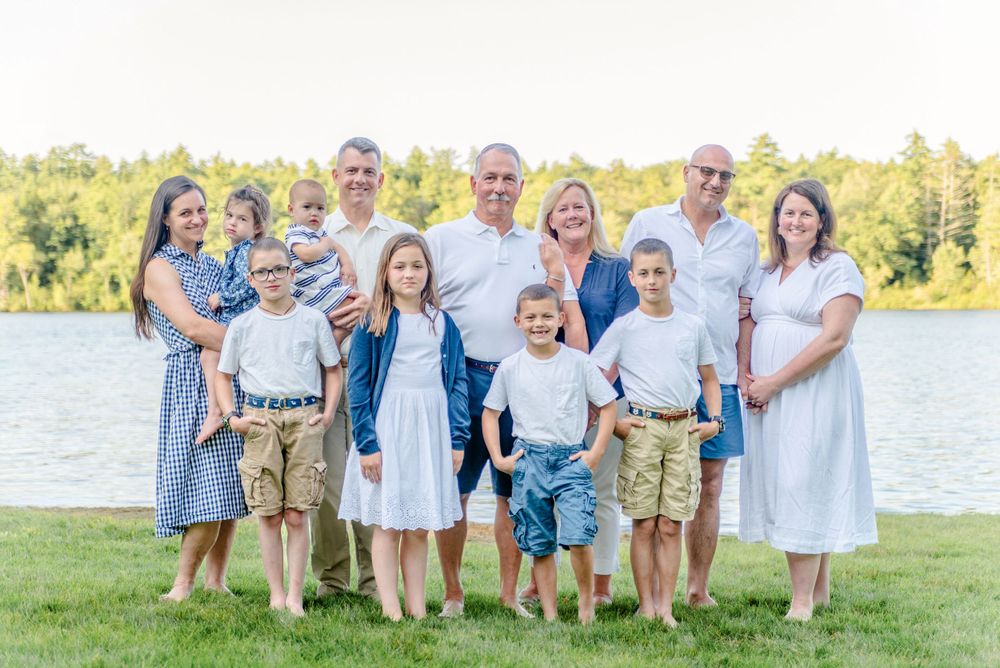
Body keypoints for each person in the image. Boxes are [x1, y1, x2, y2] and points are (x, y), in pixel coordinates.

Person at [424, 143, 587, 618]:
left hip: (523, 385)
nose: (499, 187)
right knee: (454, 490)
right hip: (458, 381)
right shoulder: (441, 239)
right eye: (490, 177)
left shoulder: (541, 247)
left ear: (521, 186)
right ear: (473, 183)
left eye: (509, 179)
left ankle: (508, 593)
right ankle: (453, 594)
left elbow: (563, 314)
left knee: (517, 492)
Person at [619, 144, 759, 607]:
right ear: (686, 172)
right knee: (653, 490)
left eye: (725, 175)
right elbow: (629, 293)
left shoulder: (743, 236)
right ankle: (651, 595)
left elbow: (745, 310)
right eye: (706, 171)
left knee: (711, 483)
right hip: (655, 383)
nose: (715, 182)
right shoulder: (648, 222)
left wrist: (742, 369)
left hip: (718, 377)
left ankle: (697, 587)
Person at [739, 179, 877, 621]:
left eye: (805, 214)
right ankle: (817, 593)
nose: (795, 221)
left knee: (806, 478)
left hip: (815, 388)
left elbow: (836, 337)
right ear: (776, 219)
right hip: (768, 393)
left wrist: (774, 381)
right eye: (788, 212)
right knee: (786, 479)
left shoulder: (837, 267)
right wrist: (748, 378)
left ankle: (801, 603)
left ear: (821, 222)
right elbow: (746, 320)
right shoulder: (764, 271)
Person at [590, 238, 723, 627]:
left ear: (673, 275)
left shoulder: (692, 326)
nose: (652, 281)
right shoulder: (624, 328)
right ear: (632, 278)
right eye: (644, 273)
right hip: (642, 429)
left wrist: (715, 419)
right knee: (644, 522)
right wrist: (613, 422)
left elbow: (710, 379)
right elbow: (594, 377)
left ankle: (666, 606)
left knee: (671, 522)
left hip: (683, 430)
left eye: (660, 272)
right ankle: (644, 604)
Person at [129, 175, 248, 601]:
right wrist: (255, 342)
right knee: (206, 483)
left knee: (231, 485)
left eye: (201, 210)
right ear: (165, 218)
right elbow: (194, 326)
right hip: (190, 381)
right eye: (186, 213)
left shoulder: (215, 265)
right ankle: (183, 583)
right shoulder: (159, 267)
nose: (197, 219)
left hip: (230, 377)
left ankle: (216, 582)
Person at [340, 233, 469, 620]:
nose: (409, 274)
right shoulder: (372, 322)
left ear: (429, 271)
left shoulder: (443, 323)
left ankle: (417, 607)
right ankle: (391, 608)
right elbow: (358, 387)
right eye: (400, 266)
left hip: (430, 430)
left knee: (418, 526)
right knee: (389, 523)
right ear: (385, 273)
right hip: (388, 429)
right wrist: (367, 444)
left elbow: (457, 382)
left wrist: (457, 438)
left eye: (417, 266)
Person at [522, 177, 638, 606]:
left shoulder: (617, 268)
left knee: (601, 492)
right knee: (543, 490)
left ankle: (603, 585)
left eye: (581, 207)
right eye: (564, 208)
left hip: (609, 397)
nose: (573, 214)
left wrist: (594, 396)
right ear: (549, 218)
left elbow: (627, 335)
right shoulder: (536, 266)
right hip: (545, 401)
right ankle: (539, 582)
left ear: (592, 215)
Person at [214, 237, 342, 616]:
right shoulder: (242, 326)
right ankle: (275, 594)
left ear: (292, 272)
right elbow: (224, 377)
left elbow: (332, 371)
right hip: (259, 419)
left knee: (297, 513)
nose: (272, 277)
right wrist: (231, 416)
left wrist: (329, 412)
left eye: (279, 269)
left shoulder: (313, 321)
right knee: (268, 514)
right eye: (262, 272)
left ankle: (295, 596)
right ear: (251, 279)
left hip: (305, 418)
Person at [313, 137, 417, 600]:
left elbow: (418, 297)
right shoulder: (309, 236)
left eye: (368, 171)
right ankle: (330, 581)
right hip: (326, 372)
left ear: (380, 178)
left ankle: (375, 581)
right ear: (335, 176)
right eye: (350, 170)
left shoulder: (401, 234)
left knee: (377, 477)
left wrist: (376, 307)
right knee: (329, 480)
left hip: (384, 378)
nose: (359, 179)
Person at [483, 284, 618, 624]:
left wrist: (596, 452)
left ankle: (586, 607)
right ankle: (550, 613)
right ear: (518, 321)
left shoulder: (578, 363)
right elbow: (491, 413)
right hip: (529, 459)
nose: (538, 324)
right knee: (540, 542)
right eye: (530, 317)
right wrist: (499, 459)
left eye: (546, 316)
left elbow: (607, 404)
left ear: (561, 318)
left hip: (571, 458)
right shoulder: (511, 367)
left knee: (579, 535)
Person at [196, 184, 272, 445]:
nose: (232, 223)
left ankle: (217, 411)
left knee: (209, 353)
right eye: (229, 215)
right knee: (212, 356)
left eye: (242, 219)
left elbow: (246, 282)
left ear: (257, 227)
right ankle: (221, 409)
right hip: (239, 319)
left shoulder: (246, 252)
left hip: (242, 318)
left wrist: (222, 297)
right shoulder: (238, 251)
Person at [284, 179, 357, 333]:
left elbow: (337, 247)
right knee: (354, 310)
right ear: (291, 210)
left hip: (327, 289)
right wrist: (325, 244)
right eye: (307, 207)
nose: (314, 213)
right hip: (311, 293)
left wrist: (348, 265)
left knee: (352, 317)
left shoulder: (320, 233)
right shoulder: (296, 232)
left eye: (320, 208)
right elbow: (305, 255)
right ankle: (332, 346)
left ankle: (333, 344)